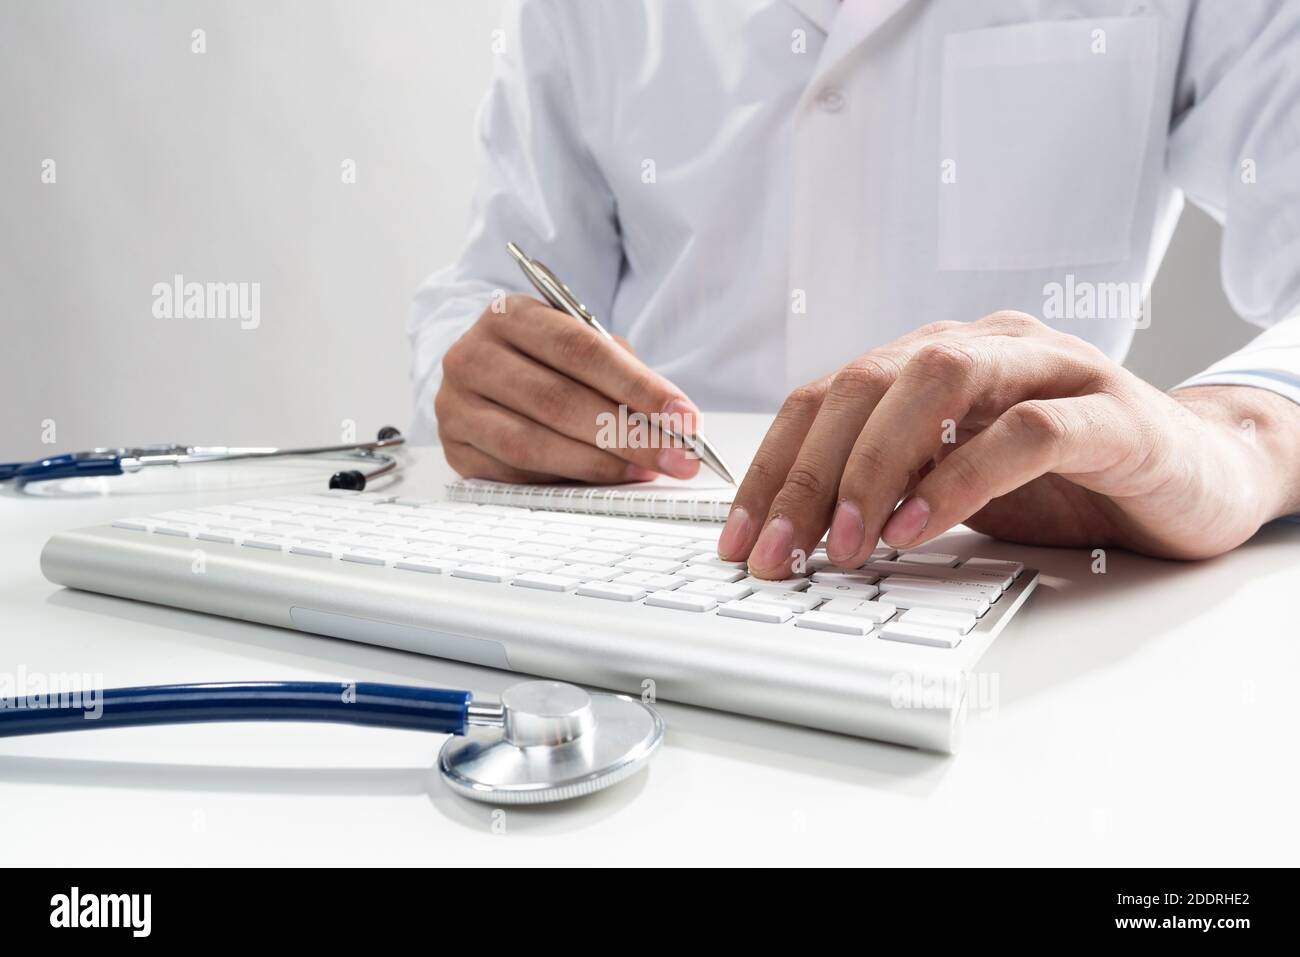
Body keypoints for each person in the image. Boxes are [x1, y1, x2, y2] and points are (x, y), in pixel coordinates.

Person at [408, 0, 1300, 579]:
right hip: (649, 555)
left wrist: (1240, 438)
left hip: (1014, 570)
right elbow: (493, 283)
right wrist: (487, 378)